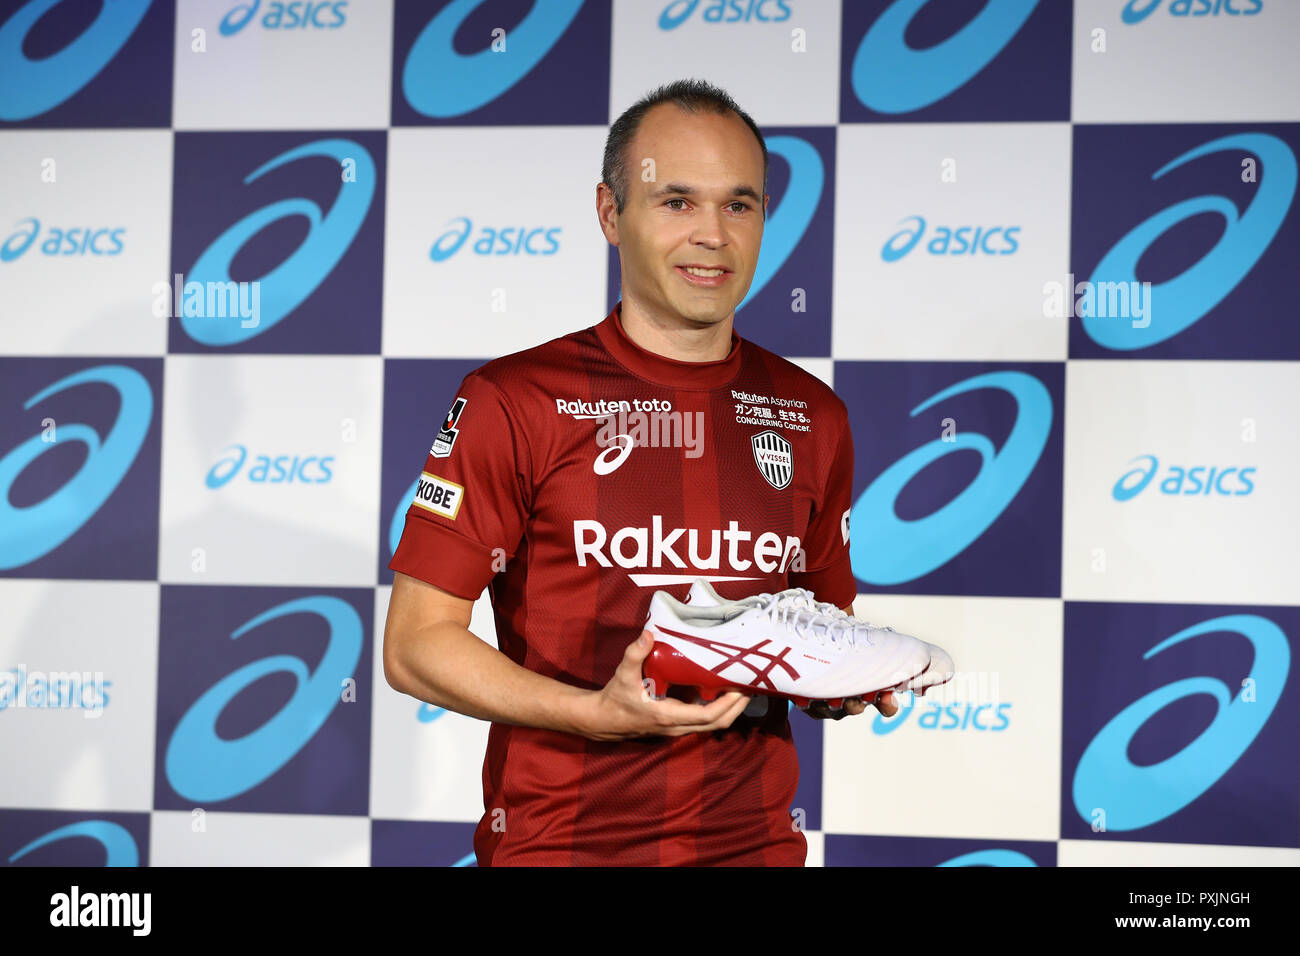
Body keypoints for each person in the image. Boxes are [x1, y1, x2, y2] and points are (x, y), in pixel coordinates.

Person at [383, 78, 897, 866]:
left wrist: (857, 678)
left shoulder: (812, 414)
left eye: (739, 204)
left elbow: (820, 634)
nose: (713, 235)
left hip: (755, 850)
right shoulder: (515, 399)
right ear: (609, 214)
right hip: (561, 850)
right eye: (676, 202)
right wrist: (592, 712)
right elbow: (415, 646)